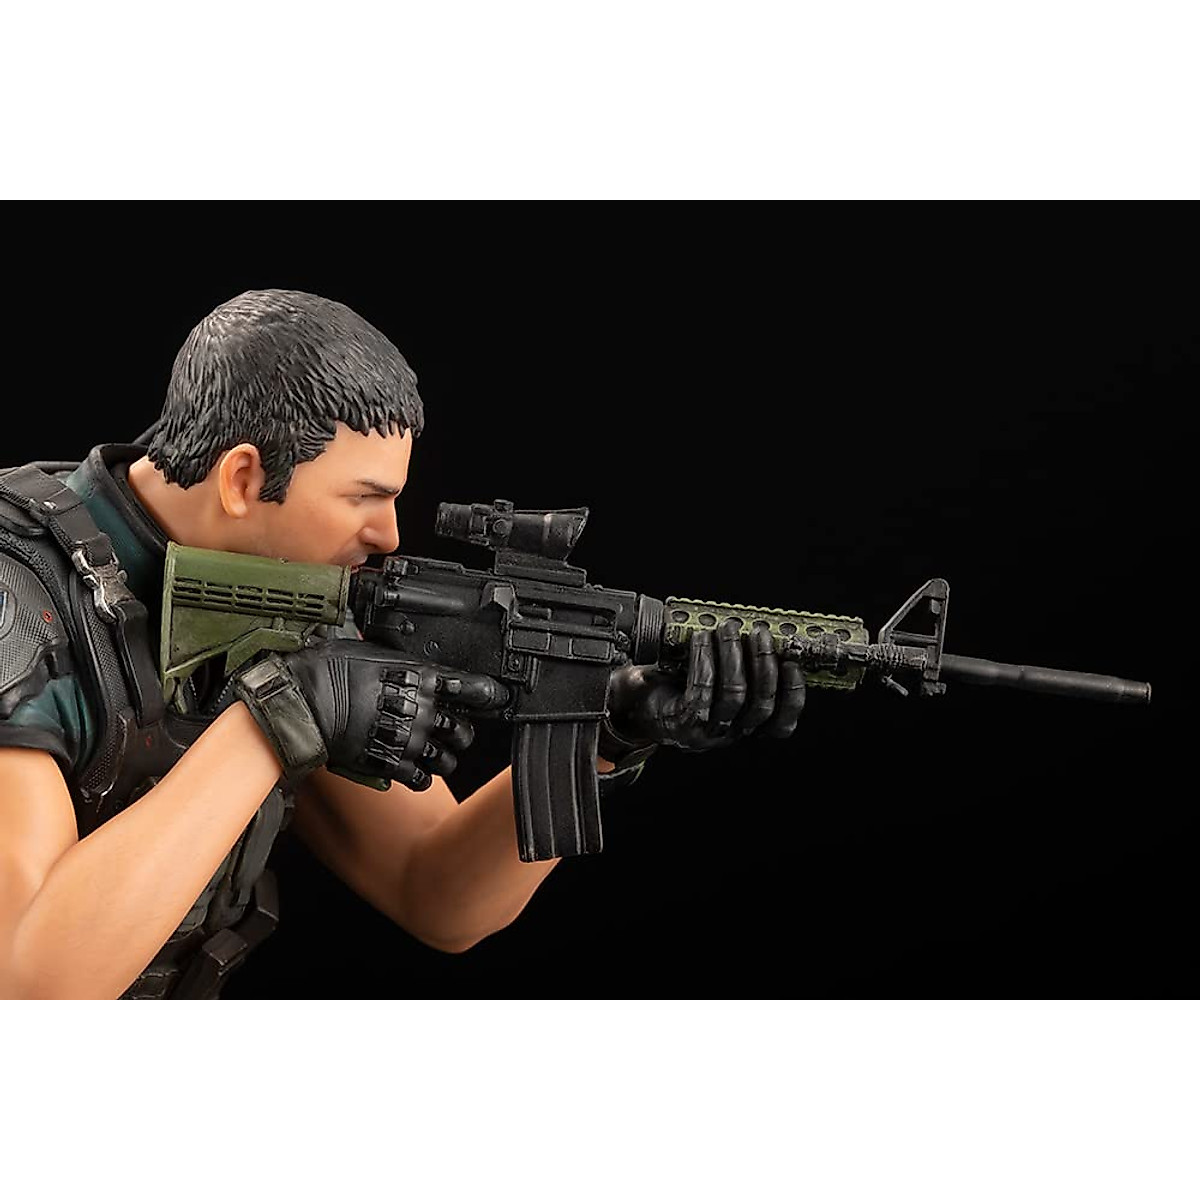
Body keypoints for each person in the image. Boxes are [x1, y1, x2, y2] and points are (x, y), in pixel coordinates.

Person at [0, 289, 806, 999]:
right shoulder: (22, 600)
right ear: (243, 479)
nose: (388, 535)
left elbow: (435, 891)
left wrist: (608, 734)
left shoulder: (289, 590)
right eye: (363, 498)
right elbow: (31, 989)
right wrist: (273, 720)